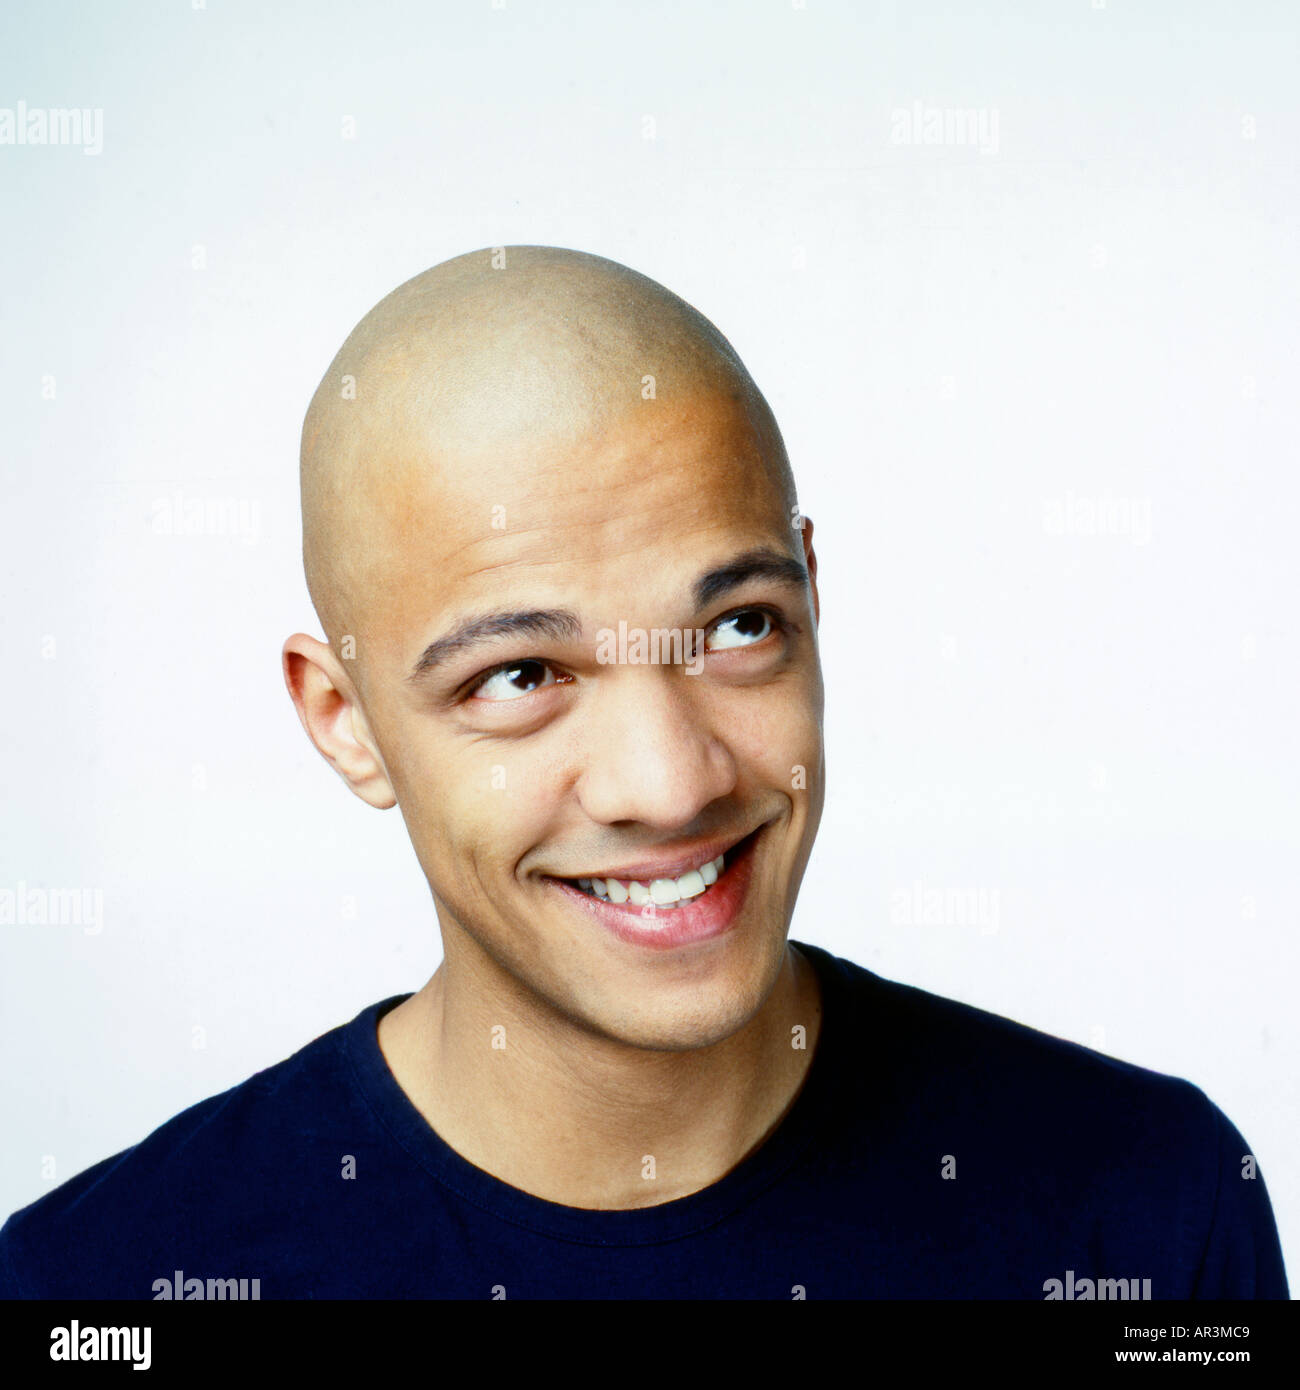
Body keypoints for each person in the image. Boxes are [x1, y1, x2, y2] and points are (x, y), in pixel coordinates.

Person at [0, 246, 1286, 1298]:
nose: (668, 784)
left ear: (814, 601)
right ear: (343, 719)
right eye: (520, 676)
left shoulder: (1149, 1211)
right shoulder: (95, 1292)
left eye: (737, 629)